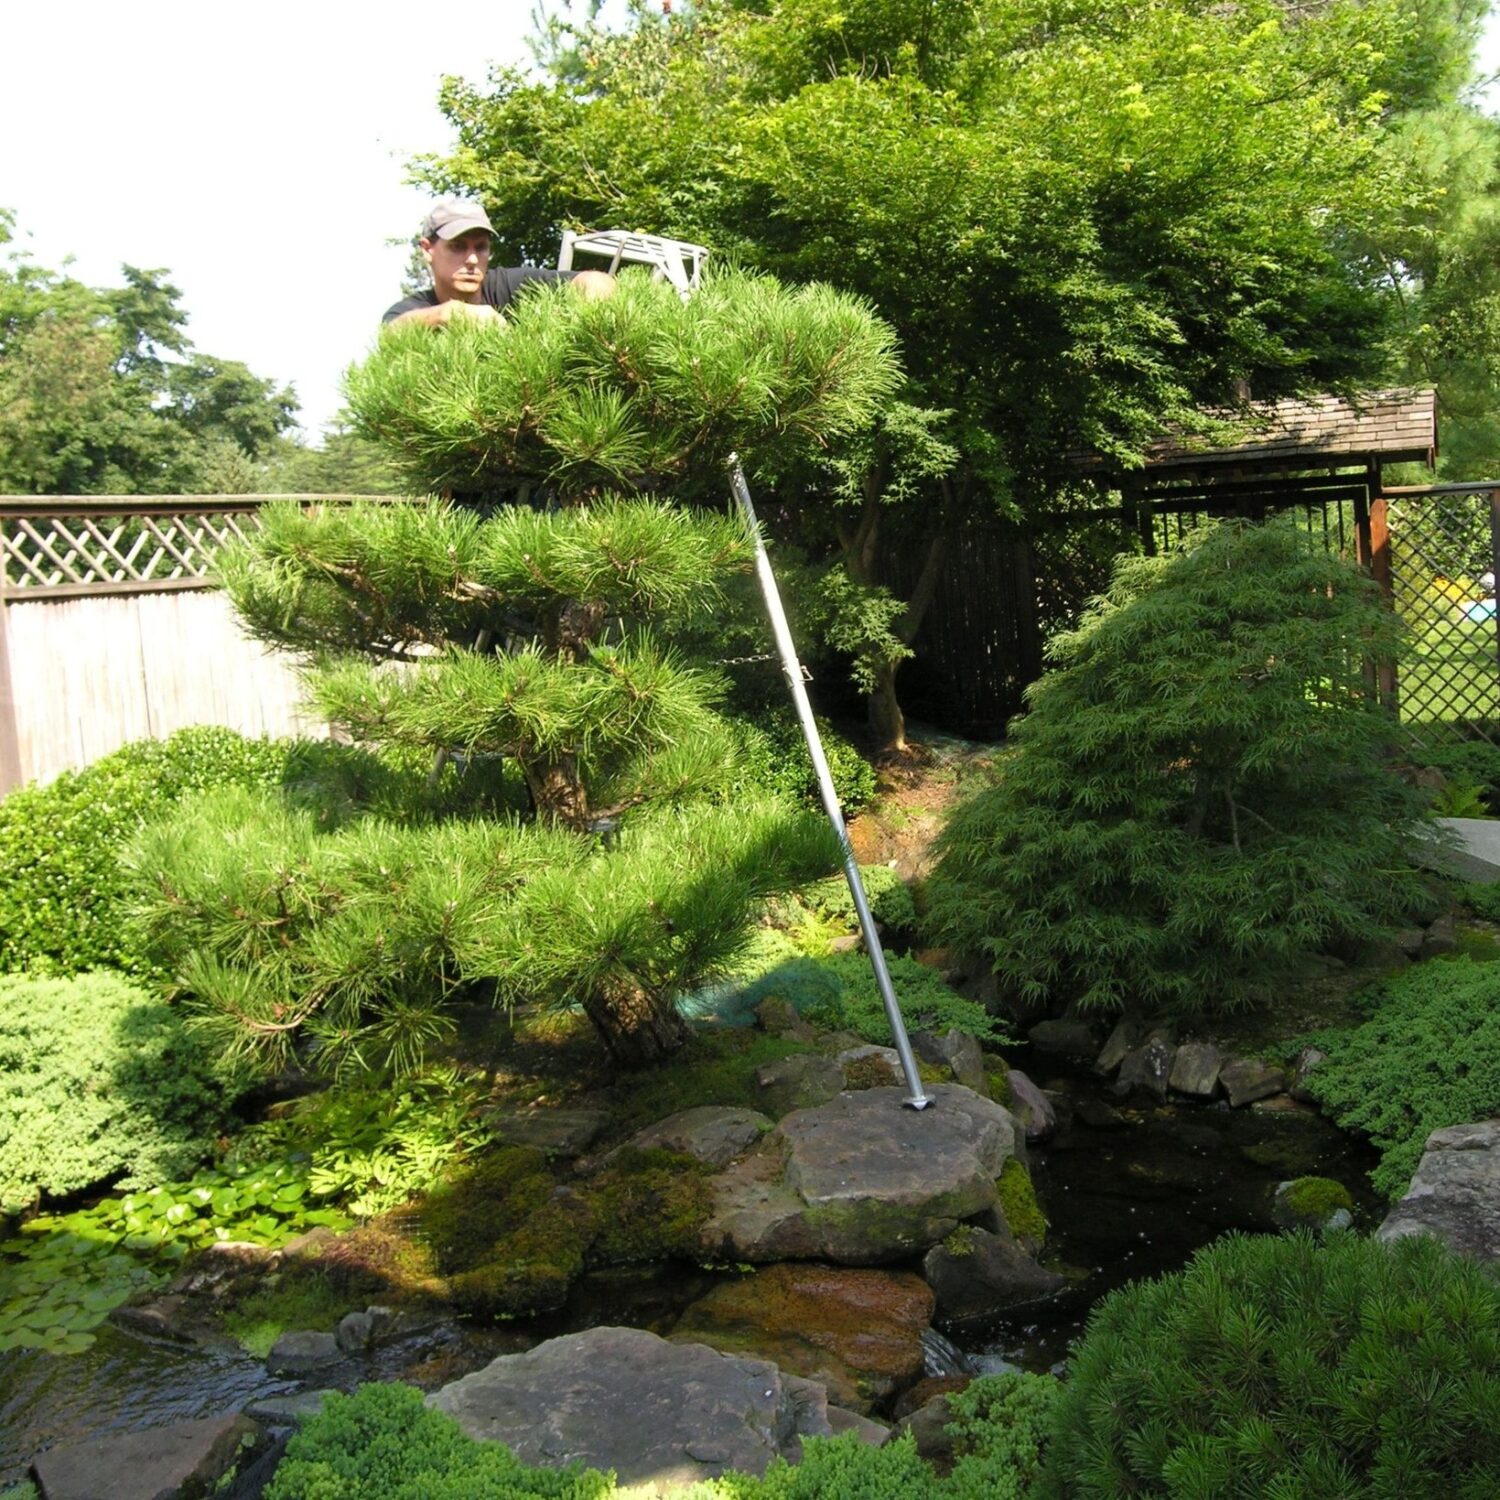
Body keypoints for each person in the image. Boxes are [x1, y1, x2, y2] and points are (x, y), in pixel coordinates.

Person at [382, 198, 614, 326]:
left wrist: (581, 320)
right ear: (427, 249)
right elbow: (392, 333)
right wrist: (449, 314)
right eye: (458, 246)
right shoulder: (411, 309)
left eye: (480, 247)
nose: (472, 259)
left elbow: (597, 281)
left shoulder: (511, 286)